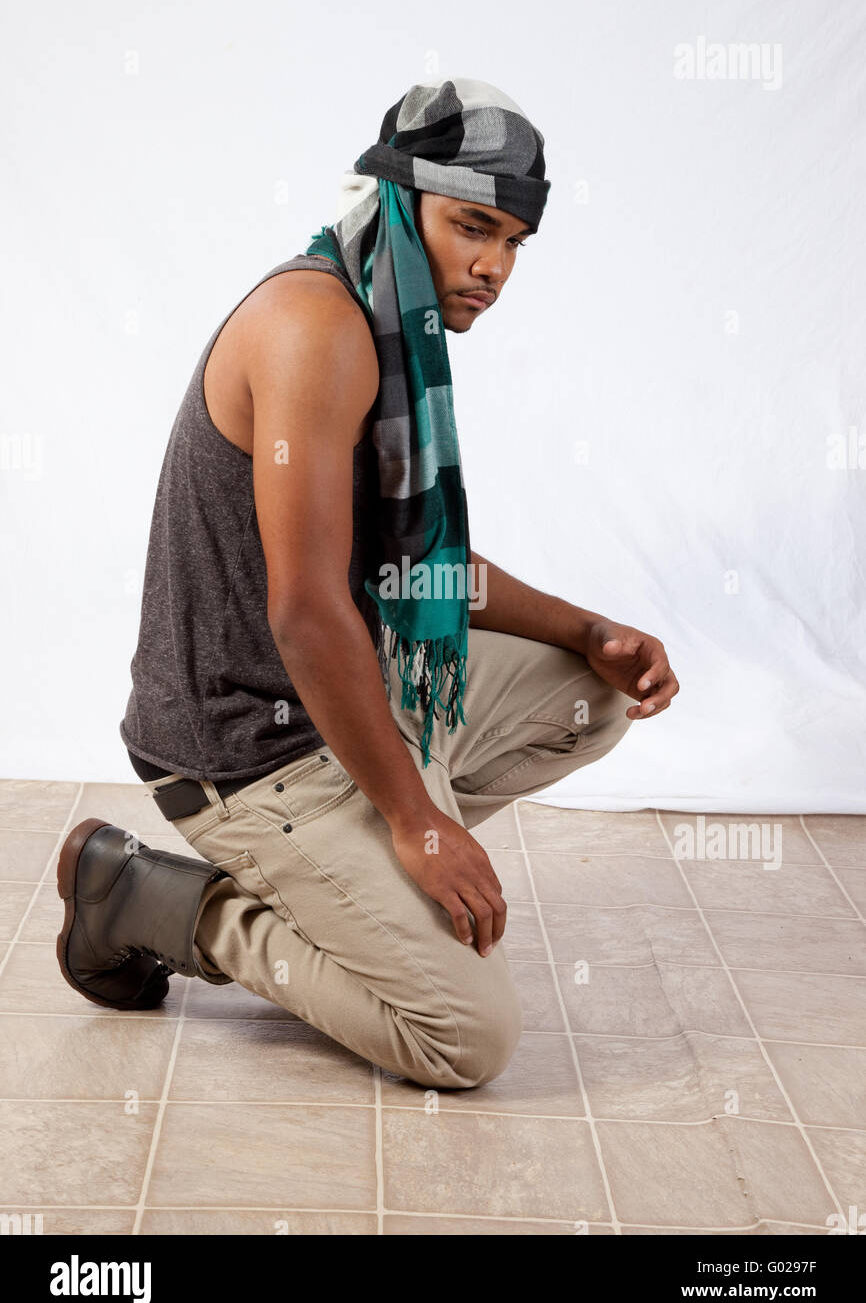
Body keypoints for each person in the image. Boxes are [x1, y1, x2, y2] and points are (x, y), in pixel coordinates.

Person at [56, 77, 679, 1090]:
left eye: (514, 240)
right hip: (245, 748)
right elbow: (304, 611)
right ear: (398, 199)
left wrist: (589, 626)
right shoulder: (318, 327)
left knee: (587, 691)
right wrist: (417, 821)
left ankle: (352, 862)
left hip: (341, 697)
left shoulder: (386, 316)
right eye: (472, 226)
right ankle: (165, 905)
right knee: (466, 1038)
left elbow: (405, 565)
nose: (493, 266)